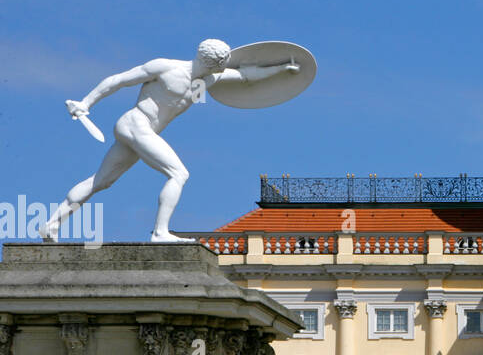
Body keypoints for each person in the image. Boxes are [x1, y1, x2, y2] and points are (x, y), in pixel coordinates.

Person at [41, 39, 298, 243]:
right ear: (216, 61)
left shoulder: (208, 79)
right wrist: (86, 102)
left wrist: (282, 69)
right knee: (178, 174)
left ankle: (51, 225)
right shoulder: (165, 67)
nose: (227, 64)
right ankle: (160, 233)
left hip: (142, 131)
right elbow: (118, 81)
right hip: (136, 124)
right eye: (225, 60)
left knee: (101, 181)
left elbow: (245, 76)